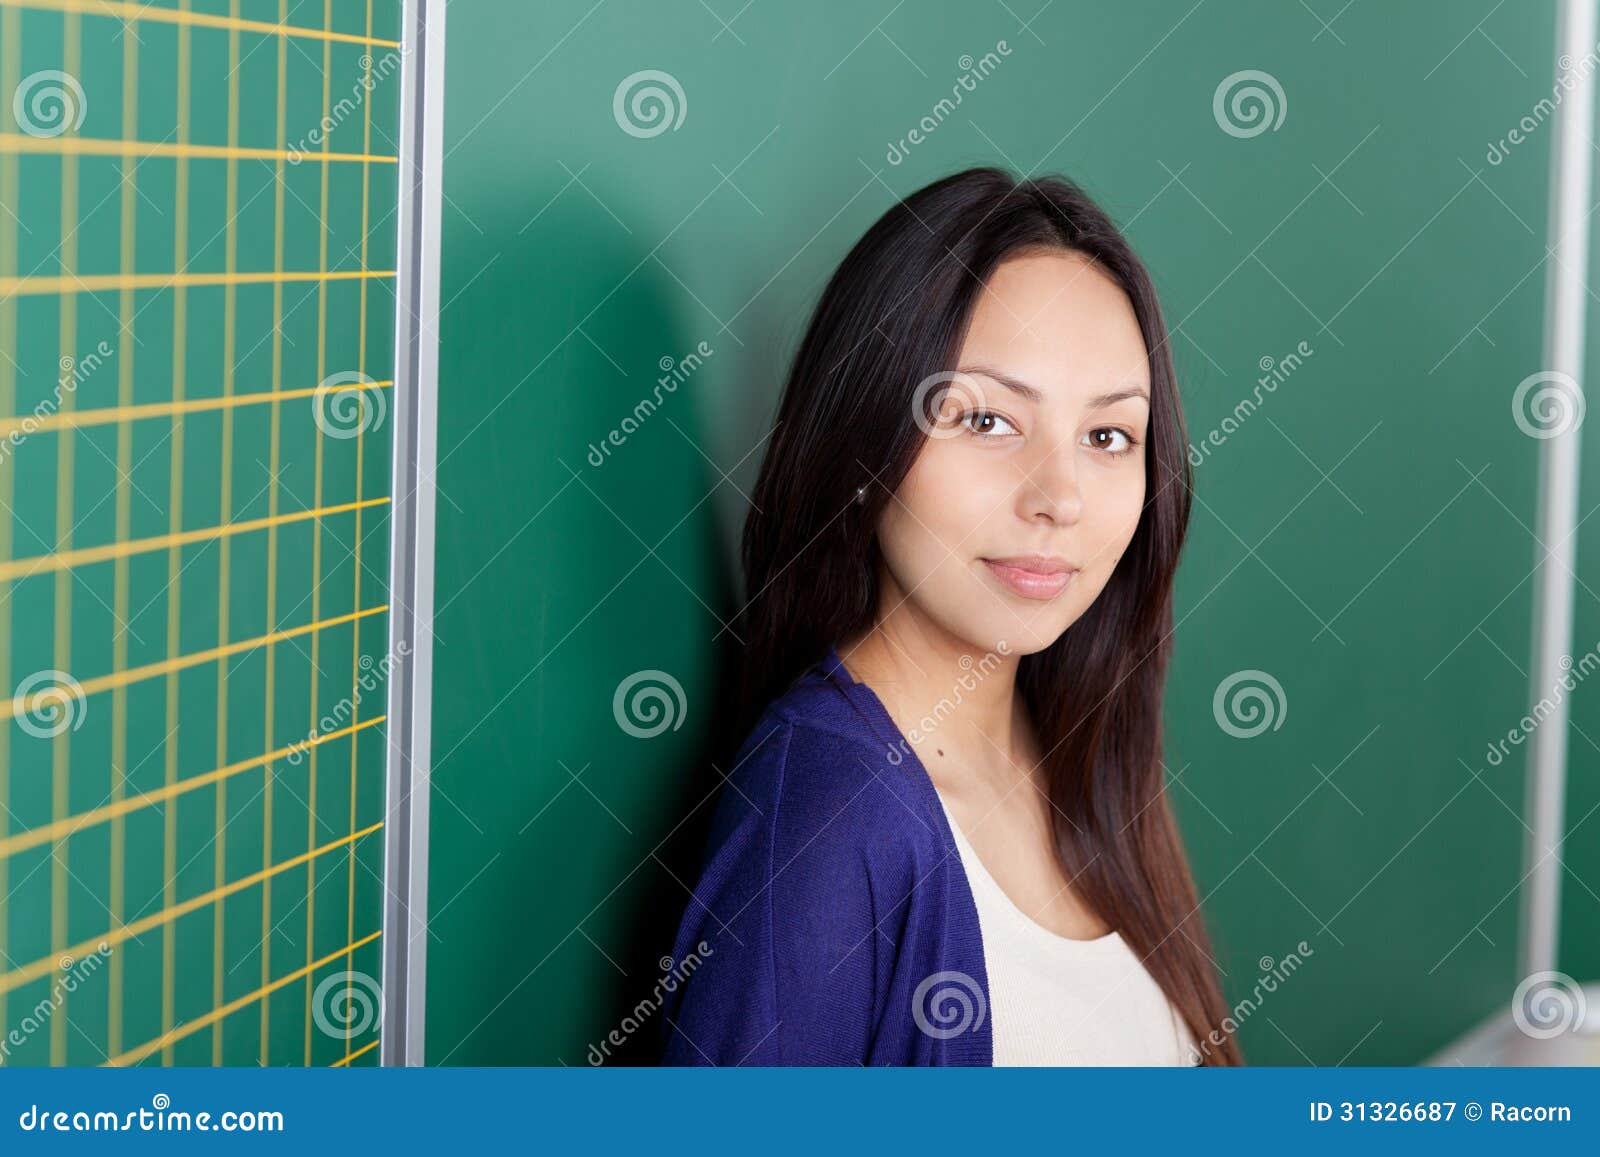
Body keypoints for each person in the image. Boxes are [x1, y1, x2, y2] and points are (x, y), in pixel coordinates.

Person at [659, 166, 1239, 1066]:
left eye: (1107, 436)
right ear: (865, 435)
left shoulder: (1075, 745)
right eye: (987, 421)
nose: (1059, 498)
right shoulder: (827, 815)